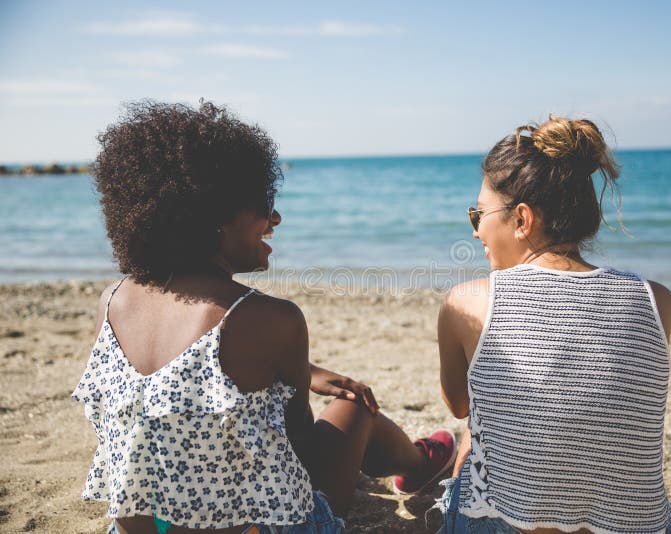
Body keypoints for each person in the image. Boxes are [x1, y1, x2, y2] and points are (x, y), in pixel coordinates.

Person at [72, 101, 456, 534]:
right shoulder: (266, 317)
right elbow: (301, 449)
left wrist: (303, 371)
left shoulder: (112, 301)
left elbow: (177, 379)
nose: (275, 218)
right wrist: (292, 373)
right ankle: (419, 464)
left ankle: (413, 462)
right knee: (352, 407)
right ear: (215, 218)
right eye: (263, 204)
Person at [433, 115, 671, 533]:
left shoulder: (468, 302)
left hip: (511, 524)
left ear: (522, 219)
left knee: (474, 437)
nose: (476, 233)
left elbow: (460, 406)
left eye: (479, 215)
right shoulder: (656, 300)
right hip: (637, 526)